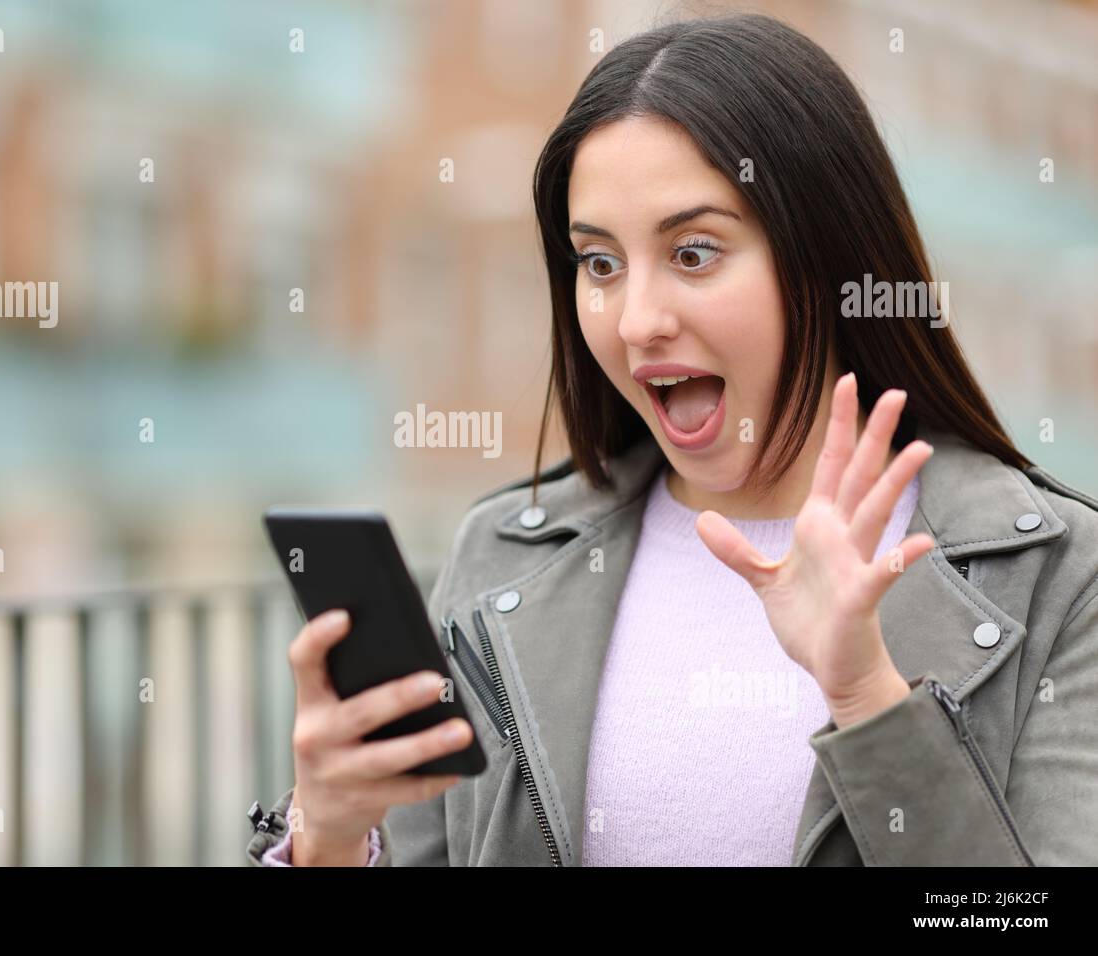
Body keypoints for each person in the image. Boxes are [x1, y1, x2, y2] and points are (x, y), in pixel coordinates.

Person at [246, 12, 1098, 866]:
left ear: (830, 258)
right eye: (600, 264)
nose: (636, 322)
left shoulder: (1057, 575)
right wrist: (330, 839)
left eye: (694, 253)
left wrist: (867, 697)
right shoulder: (502, 557)